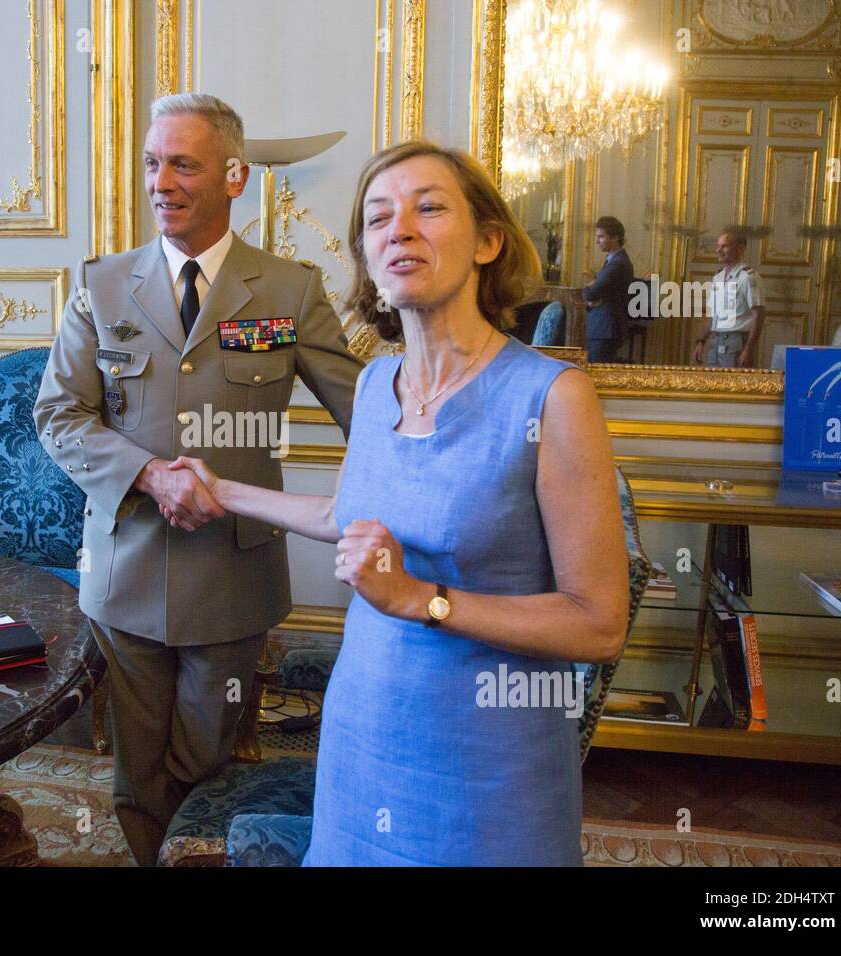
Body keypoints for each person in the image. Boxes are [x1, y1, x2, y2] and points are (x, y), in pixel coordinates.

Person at [166, 141, 628, 865]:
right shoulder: (379, 384)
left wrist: (421, 598)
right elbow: (348, 519)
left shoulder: (551, 398)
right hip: (365, 739)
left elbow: (598, 625)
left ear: (487, 242)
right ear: (369, 259)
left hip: (488, 767)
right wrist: (220, 490)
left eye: (429, 208)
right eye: (378, 218)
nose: (399, 229)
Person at [32, 93, 363, 866]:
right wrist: (149, 473)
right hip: (126, 565)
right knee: (137, 767)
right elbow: (60, 414)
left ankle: (197, 851)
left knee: (209, 754)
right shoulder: (103, 285)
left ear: (235, 175)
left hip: (233, 570)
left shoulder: (289, 289)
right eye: (153, 163)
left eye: (183, 162)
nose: (161, 181)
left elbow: (363, 409)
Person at [694, 227, 766, 368]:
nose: (718, 250)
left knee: (735, 387)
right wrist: (701, 341)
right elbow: (714, 316)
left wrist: (748, 349)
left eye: (724, 246)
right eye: (718, 246)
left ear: (740, 249)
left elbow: (759, 315)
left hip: (737, 343)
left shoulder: (748, 277)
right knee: (713, 386)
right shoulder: (718, 278)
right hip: (716, 341)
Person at [581, 216, 635, 363]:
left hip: (605, 330)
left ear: (615, 237)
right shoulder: (613, 260)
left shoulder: (618, 263)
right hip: (603, 329)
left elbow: (590, 293)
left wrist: (588, 288)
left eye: (601, 237)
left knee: (598, 376)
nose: (597, 241)